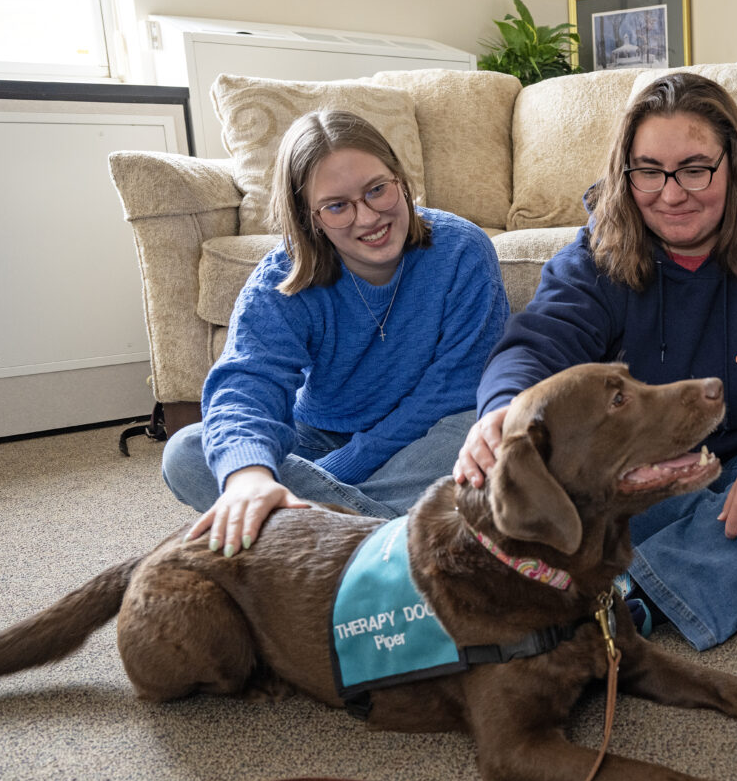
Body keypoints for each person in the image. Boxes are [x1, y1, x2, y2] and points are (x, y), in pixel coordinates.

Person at [455, 72, 737, 651]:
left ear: (734, 164)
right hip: (647, 476)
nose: (671, 193)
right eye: (649, 171)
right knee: (495, 461)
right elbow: (538, 342)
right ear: (626, 172)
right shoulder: (598, 254)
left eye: (695, 169)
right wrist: (502, 410)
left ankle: (627, 600)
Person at [163, 109, 510, 555]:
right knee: (188, 452)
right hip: (319, 436)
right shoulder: (281, 280)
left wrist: (338, 472)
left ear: (401, 180)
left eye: (377, 190)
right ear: (310, 218)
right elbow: (247, 383)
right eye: (337, 206)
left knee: (489, 432)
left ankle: (321, 541)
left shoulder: (462, 249)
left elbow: (454, 390)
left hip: (431, 432)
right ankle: (400, 544)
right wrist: (250, 478)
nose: (367, 218)